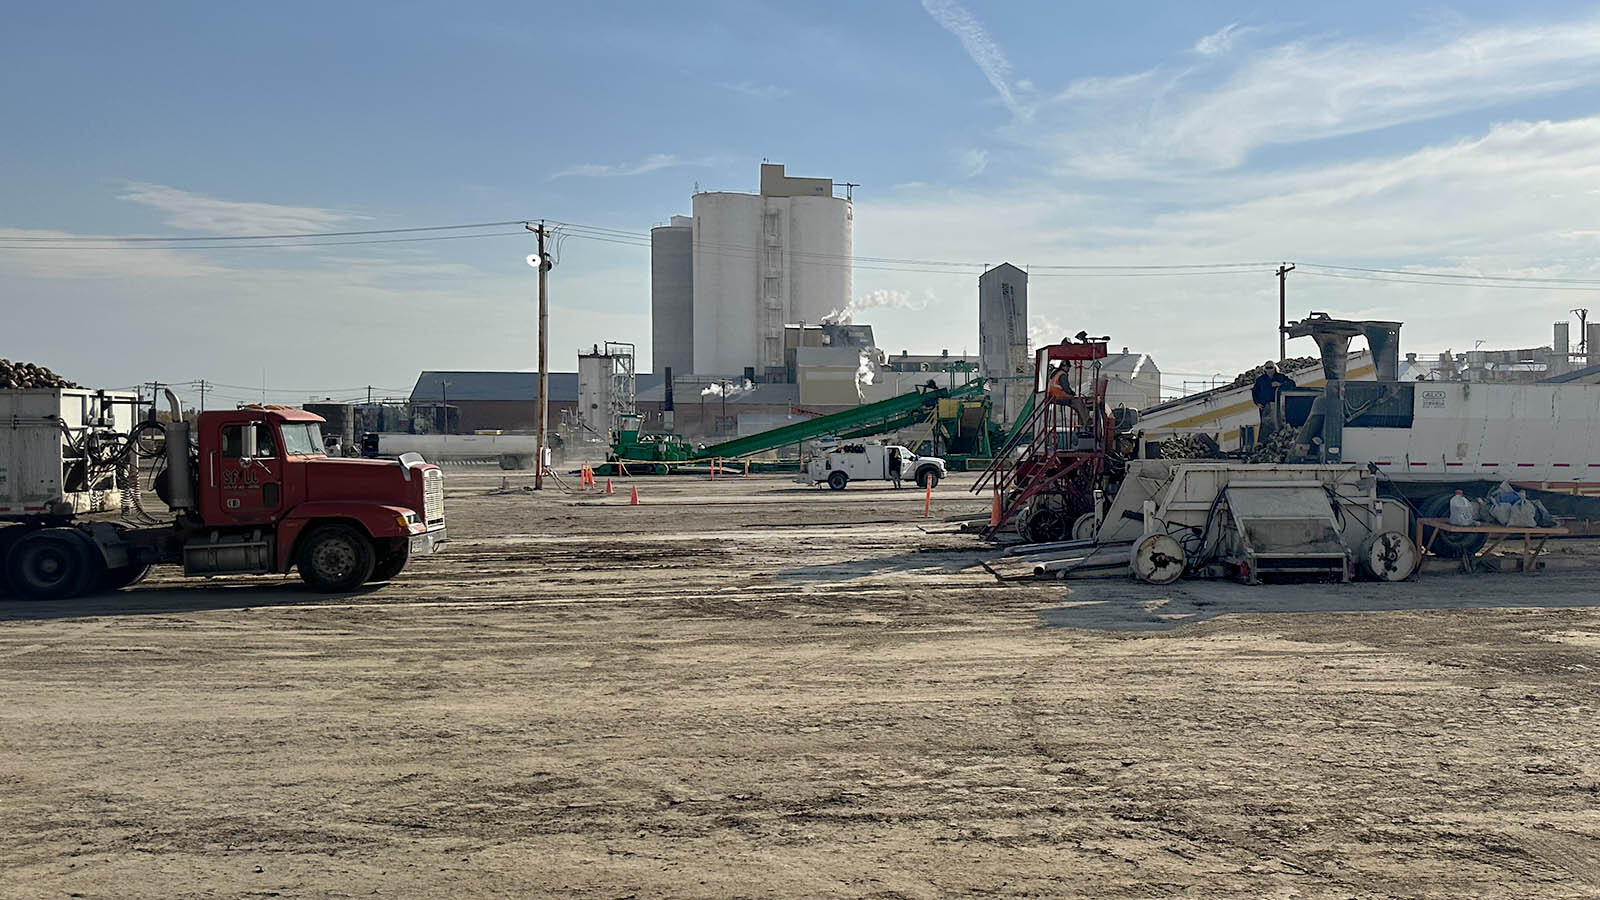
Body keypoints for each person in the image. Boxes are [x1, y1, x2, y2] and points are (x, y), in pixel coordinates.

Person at [1252, 362, 1296, 439]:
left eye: (1271, 367)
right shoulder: (1260, 380)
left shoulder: (1281, 377)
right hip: (1266, 407)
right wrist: (1257, 403)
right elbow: (1255, 392)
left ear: (1275, 368)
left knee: (1279, 425)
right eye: (1267, 368)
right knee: (1266, 426)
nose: (1269, 370)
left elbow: (1292, 384)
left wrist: (1280, 384)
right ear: (1264, 369)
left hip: (1278, 406)